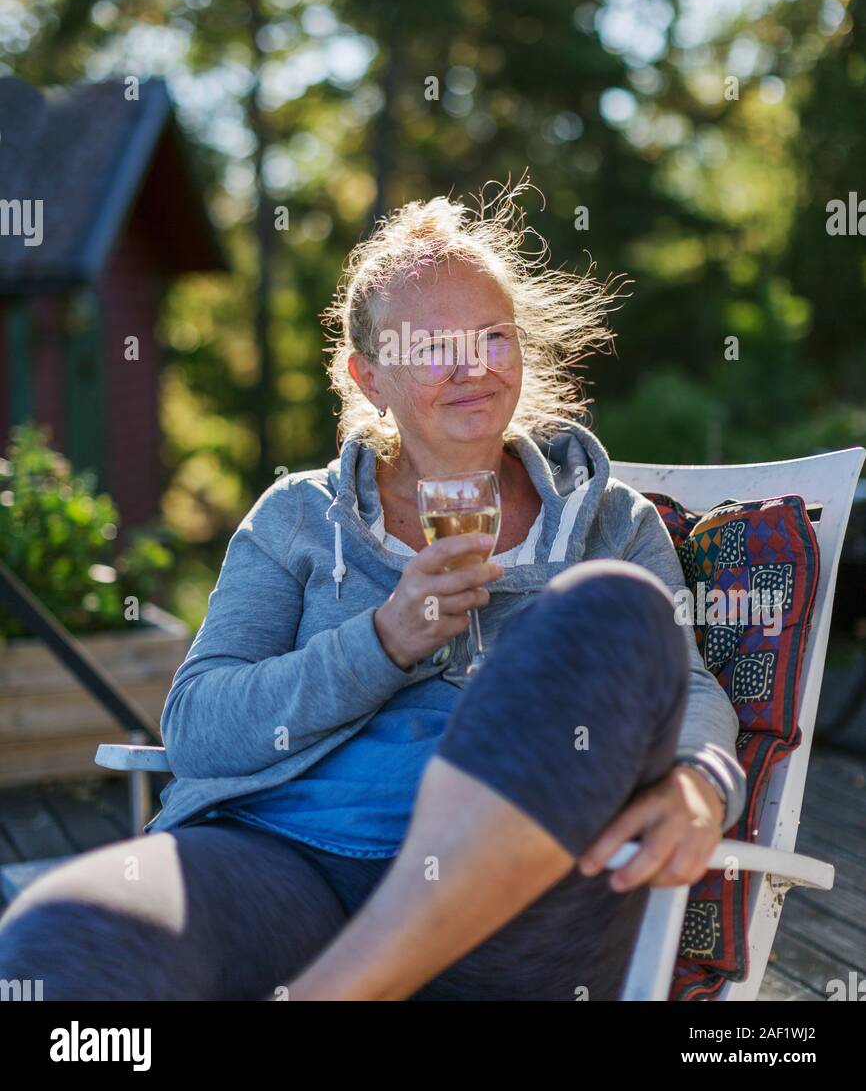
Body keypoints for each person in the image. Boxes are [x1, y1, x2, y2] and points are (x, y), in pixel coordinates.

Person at [0, 183, 746, 1001]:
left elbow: (688, 684)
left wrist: (702, 779)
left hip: (514, 903)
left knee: (614, 610)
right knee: (63, 944)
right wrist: (383, 640)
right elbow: (199, 727)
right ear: (369, 377)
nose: (472, 368)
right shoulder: (297, 518)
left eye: (493, 338)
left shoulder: (611, 523)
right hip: (284, 868)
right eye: (432, 347)